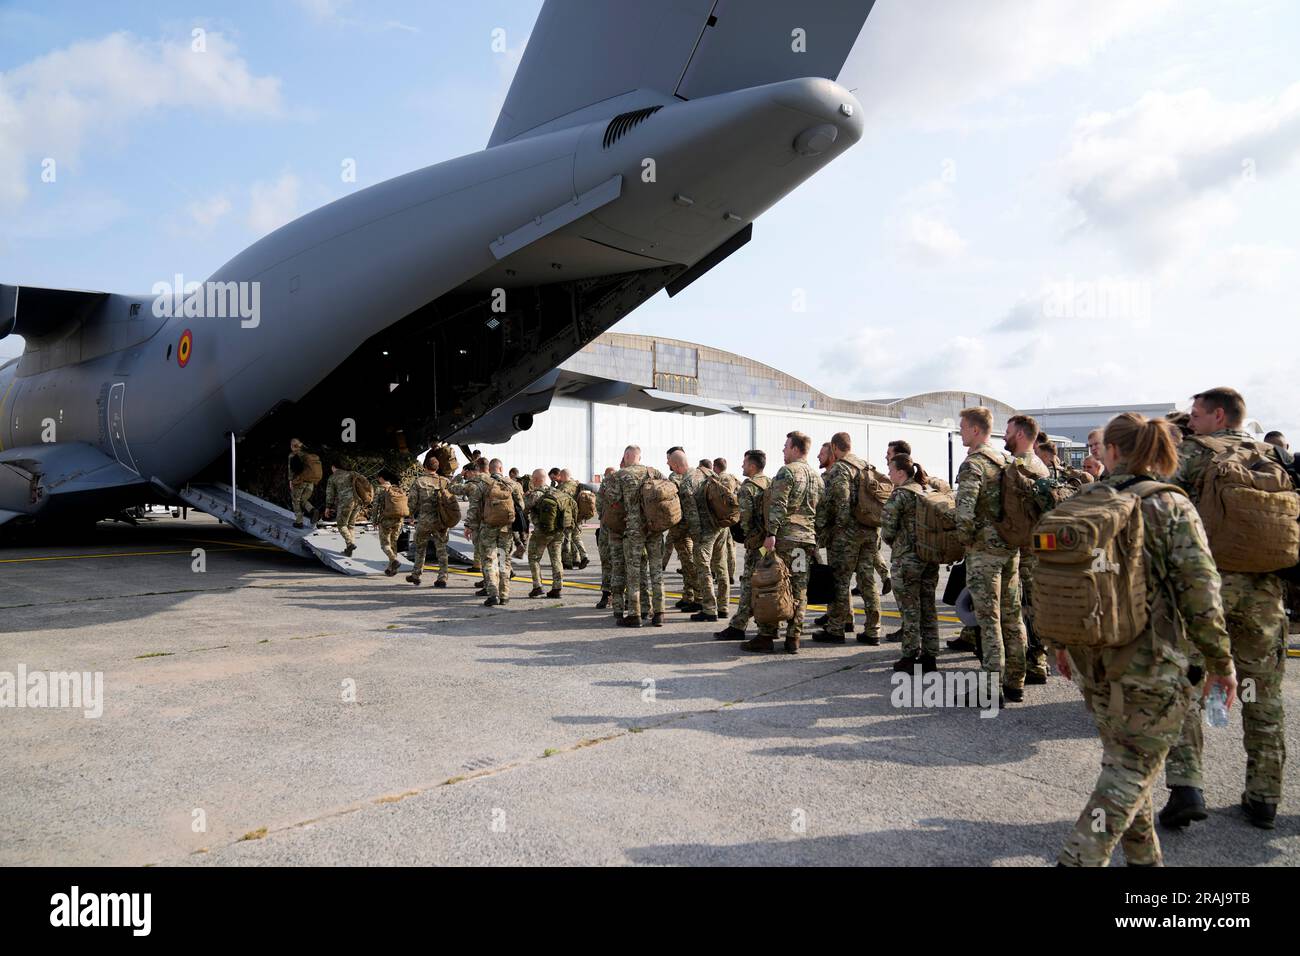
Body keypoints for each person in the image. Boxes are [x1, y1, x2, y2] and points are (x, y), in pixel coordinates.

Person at [1055, 412, 1236, 866]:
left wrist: (1059, 645)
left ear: (1112, 451)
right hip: (1150, 663)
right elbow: (1202, 594)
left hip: (1089, 657)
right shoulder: (1170, 505)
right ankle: (1078, 858)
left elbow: (1059, 580)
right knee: (1129, 773)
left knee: (1124, 763)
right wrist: (1221, 662)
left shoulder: (1083, 500)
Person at [1160, 387, 1288, 830]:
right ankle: (1264, 796)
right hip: (1264, 593)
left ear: (1219, 415)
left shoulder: (1191, 454)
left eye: (1196, 414)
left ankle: (1187, 786)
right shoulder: (1272, 455)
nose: (1190, 421)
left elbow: (1164, 516)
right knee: (1262, 693)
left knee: (1188, 683)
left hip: (1204, 589)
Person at [954, 407, 1026, 702]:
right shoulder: (1005, 459)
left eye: (962, 427)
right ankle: (1015, 681)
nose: (959, 432)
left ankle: (990, 688)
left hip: (985, 551)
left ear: (974, 430)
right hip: (1010, 546)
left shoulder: (974, 464)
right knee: (1012, 614)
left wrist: (966, 540)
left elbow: (965, 510)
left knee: (988, 618)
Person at [741, 431, 823, 655]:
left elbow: (778, 503)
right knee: (800, 587)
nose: (783, 450)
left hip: (785, 539)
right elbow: (821, 512)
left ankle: (766, 635)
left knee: (773, 584)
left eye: (786, 446)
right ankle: (793, 637)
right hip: (805, 541)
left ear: (796, 449)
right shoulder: (817, 477)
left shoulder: (787, 472)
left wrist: (771, 533)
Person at [815, 431, 883, 645]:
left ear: (835, 447)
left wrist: (830, 530)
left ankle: (836, 628)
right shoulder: (867, 466)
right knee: (867, 581)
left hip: (847, 535)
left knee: (840, 581)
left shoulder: (840, 469)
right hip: (871, 531)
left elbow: (840, 504)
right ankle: (873, 630)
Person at [881, 453, 940, 673]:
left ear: (900, 472)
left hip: (907, 560)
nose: (888, 473)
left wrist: (898, 544)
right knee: (928, 606)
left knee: (910, 609)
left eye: (890, 469)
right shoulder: (925, 490)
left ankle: (909, 655)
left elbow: (887, 528)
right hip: (930, 557)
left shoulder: (900, 494)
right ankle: (930, 656)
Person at [1005, 414, 1052, 686]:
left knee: (1026, 607)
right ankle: (1037, 660)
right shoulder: (1037, 465)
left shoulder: (1021, 466)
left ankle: (1033, 661)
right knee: (1031, 605)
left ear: (1021, 434)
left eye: (1008, 431)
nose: (1006, 435)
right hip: (1034, 548)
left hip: (1026, 550)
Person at [715, 450, 770, 641]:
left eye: (745, 463)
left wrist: (744, 536)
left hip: (755, 543)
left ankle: (738, 626)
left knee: (748, 583)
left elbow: (745, 520)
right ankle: (771, 624)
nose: (742, 466)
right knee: (768, 583)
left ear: (753, 466)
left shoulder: (748, 488)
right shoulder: (769, 483)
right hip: (768, 542)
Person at [612, 445, 667, 627]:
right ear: (640, 457)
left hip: (634, 530)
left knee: (633, 573)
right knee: (656, 572)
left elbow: (612, 501)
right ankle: (659, 613)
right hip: (655, 528)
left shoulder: (621, 475)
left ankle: (634, 615)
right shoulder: (654, 472)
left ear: (627, 455)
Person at [469, 459, 524, 606]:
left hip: (487, 527)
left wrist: (469, 525)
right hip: (506, 528)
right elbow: (521, 506)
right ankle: (504, 594)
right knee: (504, 560)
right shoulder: (512, 484)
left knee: (488, 560)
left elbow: (474, 506)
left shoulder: (483, 484)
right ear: (501, 468)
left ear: (490, 469)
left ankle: (493, 594)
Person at [677, 453, 723, 622]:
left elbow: (691, 514)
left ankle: (710, 609)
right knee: (720, 567)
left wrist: (696, 537)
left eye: (669, 461)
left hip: (705, 531)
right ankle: (722, 605)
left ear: (676, 465)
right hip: (719, 527)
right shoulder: (708, 473)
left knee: (703, 569)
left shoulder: (687, 481)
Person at [405, 451, 452, 587]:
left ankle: (416, 575)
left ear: (425, 467)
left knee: (420, 548)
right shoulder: (445, 482)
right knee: (441, 549)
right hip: (441, 521)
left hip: (424, 520)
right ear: (437, 468)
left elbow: (412, 502)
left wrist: (411, 516)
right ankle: (442, 577)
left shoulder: (419, 482)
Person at [663, 447, 697, 609]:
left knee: (689, 563)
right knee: (686, 564)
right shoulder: (696, 474)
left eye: (668, 460)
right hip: (688, 530)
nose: (667, 463)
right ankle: (688, 595)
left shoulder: (677, 478)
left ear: (675, 463)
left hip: (685, 530)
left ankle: (698, 597)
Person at [524, 469, 564, 598]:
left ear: (535, 479)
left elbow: (524, 508)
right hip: (558, 531)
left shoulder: (536, 494)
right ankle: (557, 588)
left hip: (542, 532)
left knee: (534, 558)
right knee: (556, 559)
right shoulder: (555, 492)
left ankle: (537, 587)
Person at [323, 459, 361, 557]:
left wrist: (328, 507)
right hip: (358, 502)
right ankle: (349, 550)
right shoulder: (352, 473)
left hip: (345, 503)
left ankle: (350, 543)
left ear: (333, 467)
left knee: (341, 525)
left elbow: (330, 494)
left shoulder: (333, 477)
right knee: (351, 526)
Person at [372, 469, 404, 576]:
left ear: (381, 478)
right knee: (393, 544)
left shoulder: (380, 489)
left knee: (385, 544)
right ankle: (392, 569)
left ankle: (394, 560)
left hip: (385, 520)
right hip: (398, 520)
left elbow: (375, 506)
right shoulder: (397, 488)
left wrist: (374, 520)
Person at [557, 469, 589, 570]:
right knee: (576, 537)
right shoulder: (577, 484)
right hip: (578, 516)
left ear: (562, 476)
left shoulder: (564, 487)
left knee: (566, 539)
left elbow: (559, 501)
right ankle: (583, 556)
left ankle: (567, 562)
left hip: (568, 517)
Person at [714, 458, 739, 585]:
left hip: (721, 518)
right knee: (731, 548)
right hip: (734, 518)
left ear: (715, 467)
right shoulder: (733, 478)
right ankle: (731, 574)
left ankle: (720, 575)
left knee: (720, 549)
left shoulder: (717, 479)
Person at [595, 466, 617, 608]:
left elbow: (598, 507)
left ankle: (606, 595)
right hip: (621, 530)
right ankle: (622, 598)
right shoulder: (622, 484)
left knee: (606, 563)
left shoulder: (604, 487)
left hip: (606, 529)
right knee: (621, 563)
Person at [287, 438, 317, 529]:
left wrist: (291, 481)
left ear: (292, 446)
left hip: (299, 481)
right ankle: (312, 510)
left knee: (296, 501)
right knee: (303, 500)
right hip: (310, 482)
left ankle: (299, 522)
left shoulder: (292, 455)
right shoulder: (308, 453)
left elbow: (291, 470)